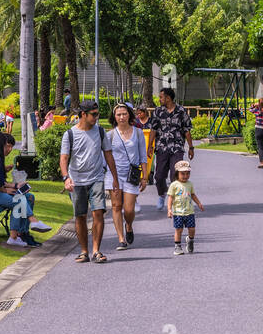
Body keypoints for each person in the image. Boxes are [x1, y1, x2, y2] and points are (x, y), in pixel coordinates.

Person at [59, 100, 120, 264]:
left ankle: (96, 251)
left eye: (97, 114)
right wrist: (66, 178)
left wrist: (115, 179)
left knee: (98, 212)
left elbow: (108, 155)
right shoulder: (70, 134)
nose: (96, 117)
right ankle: (84, 251)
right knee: (80, 216)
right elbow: (64, 159)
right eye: (93, 114)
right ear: (83, 114)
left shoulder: (100, 132)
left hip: (96, 178)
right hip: (77, 181)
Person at [106, 103, 148, 250]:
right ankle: (121, 239)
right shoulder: (110, 135)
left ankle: (128, 225)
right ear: (114, 117)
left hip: (132, 175)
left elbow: (143, 155)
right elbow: (106, 157)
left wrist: (145, 176)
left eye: (124, 114)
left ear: (129, 114)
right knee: (116, 206)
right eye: (118, 114)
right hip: (113, 175)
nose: (122, 117)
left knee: (129, 210)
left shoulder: (138, 133)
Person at [151, 87, 194, 209]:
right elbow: (153, 130)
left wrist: (191, 147)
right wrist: (150, 147)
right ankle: (161, 194)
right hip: (161, 148)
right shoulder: (158, 111)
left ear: (168, 98)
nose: (159, 99)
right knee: (159, 176)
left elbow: (187, 130)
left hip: (177, 148)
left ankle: (176, 200)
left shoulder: (181, 111)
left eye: (161, 97)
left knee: (175, 175)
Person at [166, 159, 204, 255]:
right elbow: (170, 198)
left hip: (189, 211)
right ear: (177, 174)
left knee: (192, 229)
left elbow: (193, 195)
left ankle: (190, 240)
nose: (185, 176)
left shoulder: (190, 184)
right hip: (178, 212)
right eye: (183, 174)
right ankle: (177, 247)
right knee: (178, 230)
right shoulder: (174, 185)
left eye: (187, 174)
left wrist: (199, 203)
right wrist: (169, 209)